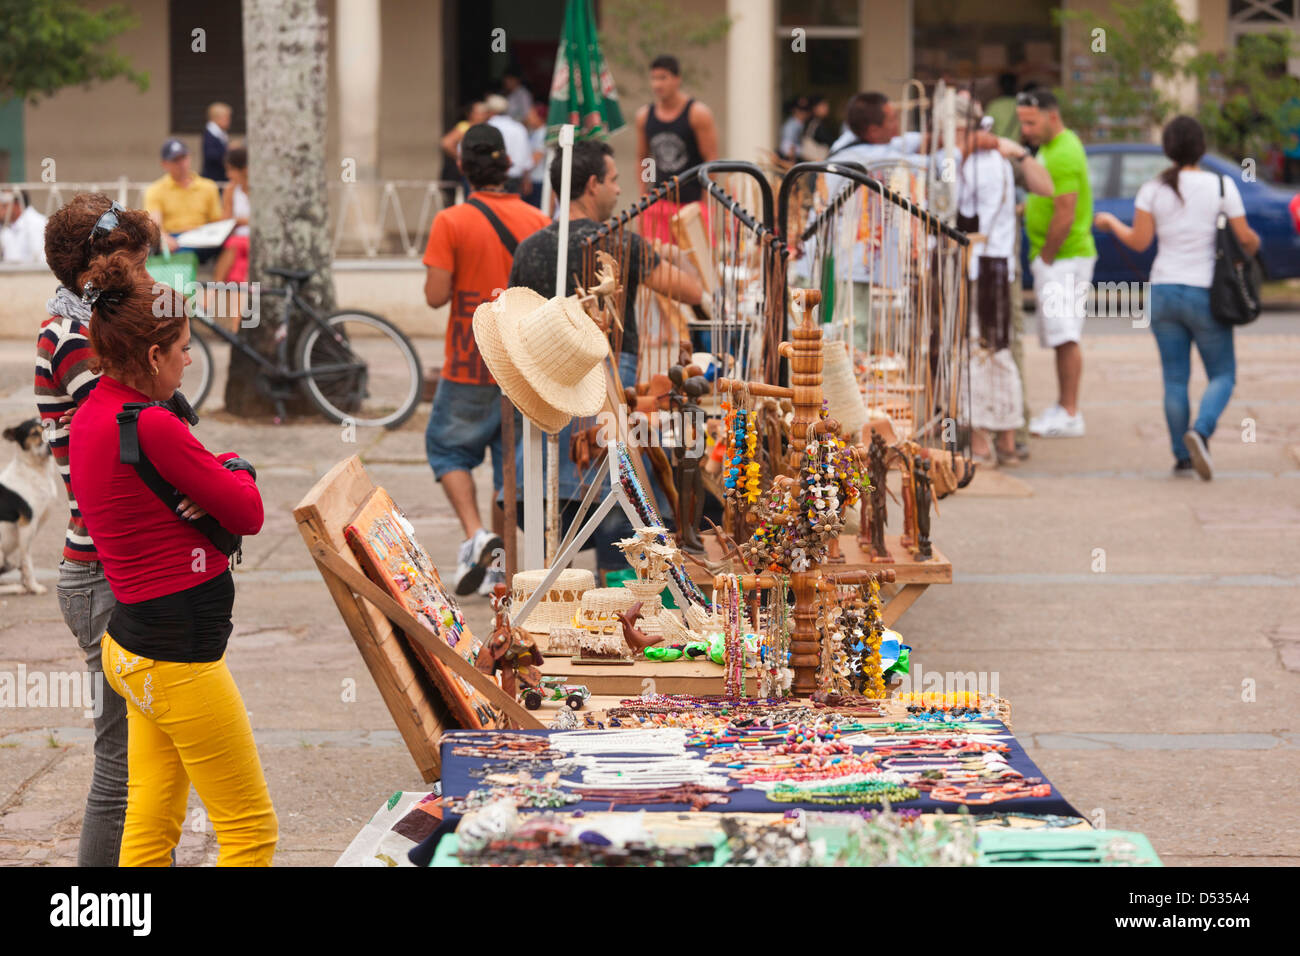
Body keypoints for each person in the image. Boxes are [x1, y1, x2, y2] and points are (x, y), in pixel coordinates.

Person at [68, 252, 274, 867]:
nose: (189, 359)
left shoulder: (91, 415)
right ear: (153, 356)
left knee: (152, 822)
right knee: (250, 831)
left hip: (132, 645)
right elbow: (248, 513)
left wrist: (221, 473)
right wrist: (235, 467)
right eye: (183, 347)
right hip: (179, 654)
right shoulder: (154, 426)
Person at [509, 140, 704, 576]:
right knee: (619, 512)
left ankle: (555, 604)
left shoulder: (530, 249)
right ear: (592, 184)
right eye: (614, 180)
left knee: (550, 528)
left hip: (545, 396)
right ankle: (617, 605)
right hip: (607, 392)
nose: (619, 190)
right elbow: (692, 292)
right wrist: (670, 255)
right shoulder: (619, 243)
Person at [36, 193, 158, 867]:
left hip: (117, 566)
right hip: (101, 572)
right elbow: (124, 430)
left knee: (151, 760)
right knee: (121, 768)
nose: (146, 278)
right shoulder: (73, 338)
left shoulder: (88, 330)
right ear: (102, 268)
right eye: (138, 264)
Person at [1095, 115, 1261, 480]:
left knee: (1174, 378)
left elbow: (1139, 242)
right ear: (1201, 147)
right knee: (1223, 373)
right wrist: (1253, 246)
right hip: (1206, 294)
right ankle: (1200, 431)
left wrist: (1111, 224)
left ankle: (1181, 457)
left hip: (1163, 291)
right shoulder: (1221, 186)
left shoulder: (1153, 188)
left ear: (1167, 149)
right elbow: (1245, 238)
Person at [423, 123, 551, 596]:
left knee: (447, 448)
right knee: (509, 466)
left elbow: (436, 296)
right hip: (522, 362)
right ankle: (500, 567)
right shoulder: (538, 219)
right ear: (507, 166)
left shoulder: (451, 221)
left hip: (469, 359)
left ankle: (476, 534)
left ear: (463, 167)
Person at [1017, 89, 1096, 438]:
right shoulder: (1051, 148)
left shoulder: (1063, 152)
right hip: (1058, 257)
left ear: (1052, 116)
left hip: (1063, 258)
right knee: (1059, 336)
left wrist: (1046, 258)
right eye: (1022, 123)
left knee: (1065, 336)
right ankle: (1064, 406)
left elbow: (1065, 212)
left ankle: (1070, 411)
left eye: (1031, 122)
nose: (1026, 130)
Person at [957, 104, 1023, 466]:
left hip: (978, 267)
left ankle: (983, 441)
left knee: (979, 350)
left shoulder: (970, 163)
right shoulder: (996, 161)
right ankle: (1007, 440)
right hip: (995, 265)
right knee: (998, 349)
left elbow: (954, 207)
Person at [635, 54, 719, 243]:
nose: (657, 84)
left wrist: (705, 205)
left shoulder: (697, 114)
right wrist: (643, 196)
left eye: (663, 78)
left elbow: (710, 160)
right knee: (656, 264)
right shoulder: (644, 116)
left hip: (691, 204)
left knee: (696, 265)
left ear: (677, 79)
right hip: (658, 202)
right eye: (654, 78)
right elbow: (644, 158)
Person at [144, 138, 224, 262]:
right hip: (175, 238)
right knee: (180, 252)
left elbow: (216, 220)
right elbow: (155, 223)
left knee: (233, 245)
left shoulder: (208, 186)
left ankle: (224, 281)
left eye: (184, 158)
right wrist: (163, 237)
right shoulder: (156, 189)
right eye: (175, 160)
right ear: (165, 164)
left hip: (203, 236)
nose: (181, 163)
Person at [484, 93, 534, 196]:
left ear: (491, 111)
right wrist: (527, 180)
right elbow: (526, 160)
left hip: (492, 181)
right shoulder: (519, 128)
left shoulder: (487, 127)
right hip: (515, 180)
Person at [0, 189, 47, 263]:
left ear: (17, 205)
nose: (0, 208)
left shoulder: (37, 224)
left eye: (4, 205)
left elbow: (42, 262)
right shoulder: (7, 227)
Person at [524, 104, 548, 210]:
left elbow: (535, 159)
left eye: (532, 115)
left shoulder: (543, 133)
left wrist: (524, 174)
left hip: (538, 179)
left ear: (540, 118)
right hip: (534, 178)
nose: (528, 118)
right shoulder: (535, 132)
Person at [201, 102, 232, 182]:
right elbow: (211, 155)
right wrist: (229, 151)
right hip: (214, 178)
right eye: (227, 118)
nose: (229, 121)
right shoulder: (210, 134)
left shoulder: (220, 133)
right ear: (217, 118)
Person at [985, 73, 1020, 141]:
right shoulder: (1020, 105)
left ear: (1000, 87)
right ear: (1015, 86)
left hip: (999, 146)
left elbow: (987, 128)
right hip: (1017, 146)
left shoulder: (994, 105)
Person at [779, 96, 811, 161]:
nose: (803, 113)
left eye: (805, 110)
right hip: (793, 160)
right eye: (801, 110)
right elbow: (786, 148)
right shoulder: (791, 125)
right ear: (794, 110)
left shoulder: (803, 124)